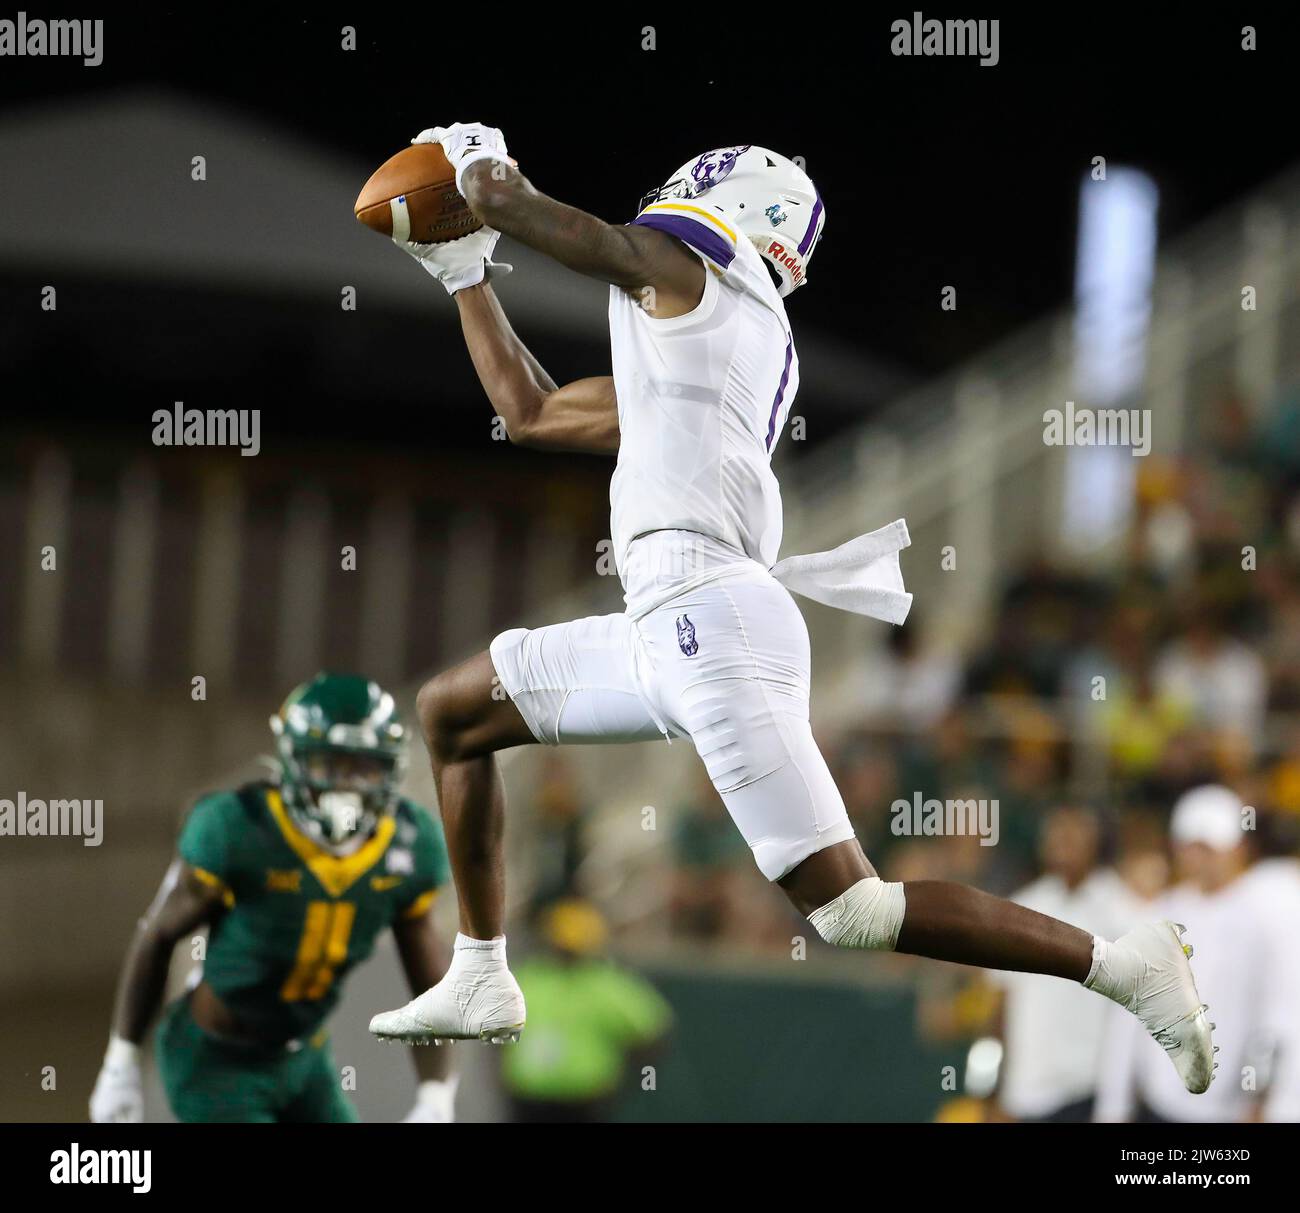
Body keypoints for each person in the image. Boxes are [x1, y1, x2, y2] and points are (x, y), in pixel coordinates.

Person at [367, 124, 1215, 1101]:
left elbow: (580, 234)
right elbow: (531, 411)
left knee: (850, 908)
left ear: (722, 213)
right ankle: (480, 969)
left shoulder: (713, 287)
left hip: (707, 615)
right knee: (453, 713)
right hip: (667, 620)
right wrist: (464, 272)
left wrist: (483, 174)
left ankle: (1120, 965)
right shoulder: (690, 340)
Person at [89, 673, 457, 1123]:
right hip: (217, 1062)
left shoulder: (409, 845)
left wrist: (437, 1093)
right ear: (292, 761)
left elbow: (430, 980)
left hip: (305, 1057)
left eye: (363, 768)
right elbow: (157, 935)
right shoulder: (238, 828)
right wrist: (121, 1061)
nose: (347, 789)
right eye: (329, 766)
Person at [988, 807, 1141, 1121]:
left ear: (1096, 843)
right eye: (1056, 835)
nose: (1063, 844)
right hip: (1025, 1091)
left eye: (1074, 835)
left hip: (1085, 1089)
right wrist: (993, 1088)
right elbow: (1001, 1006)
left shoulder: (1122, 911)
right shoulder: (1022, 907)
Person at [500, 899, 671, 1123]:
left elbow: (652, 1033)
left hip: (585, 1100)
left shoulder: (608, 985)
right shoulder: (530, 978)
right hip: (527, 1097)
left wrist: (640, 1081)